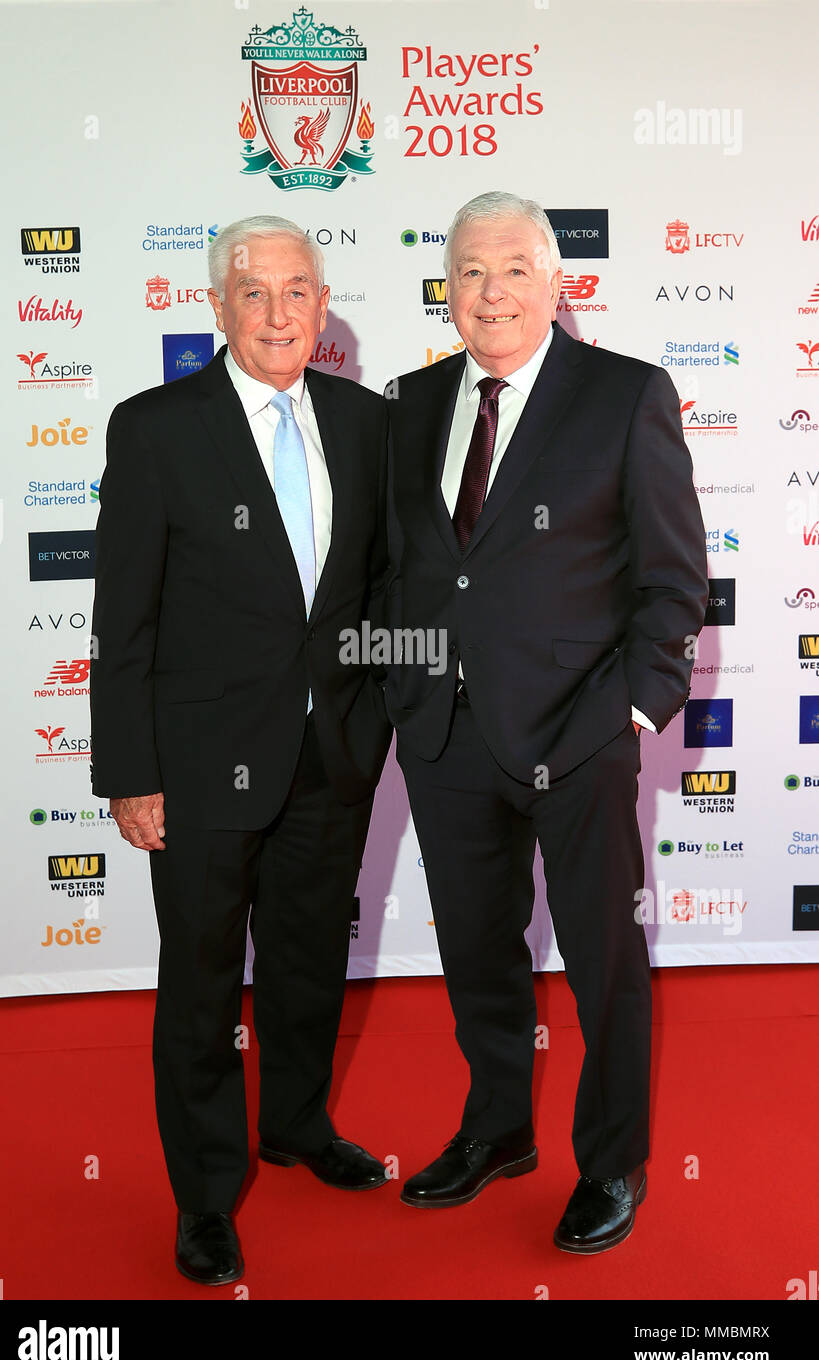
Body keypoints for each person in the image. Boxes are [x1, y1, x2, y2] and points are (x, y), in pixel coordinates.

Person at [384, 191, 708, 1252]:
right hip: (444, 730)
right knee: (478, 952)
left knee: (600, 958)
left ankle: (609, 1161)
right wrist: (398, 681)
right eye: (468, 272)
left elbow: (672, 579)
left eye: (512, 268)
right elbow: (403, 571)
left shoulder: (623, 396)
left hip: (576, 733)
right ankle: (496, 1128)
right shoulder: (409, 401)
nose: (489, 292)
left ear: (555, 280)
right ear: (446, 289)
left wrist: (628, 708)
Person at [89, 215, 392, 1285]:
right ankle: (206, 1196)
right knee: (205, 984)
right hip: (200, 762)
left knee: (311, 963)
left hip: (334, 754)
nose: (277, 313)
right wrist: (129, 770)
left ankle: (298, 1126)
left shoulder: (366, 423)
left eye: (297, 290)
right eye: (254, 293)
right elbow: (122, 616)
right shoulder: (156, 428)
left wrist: (389, 702)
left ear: (322, 305)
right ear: (216, 306)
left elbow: (380, 592)